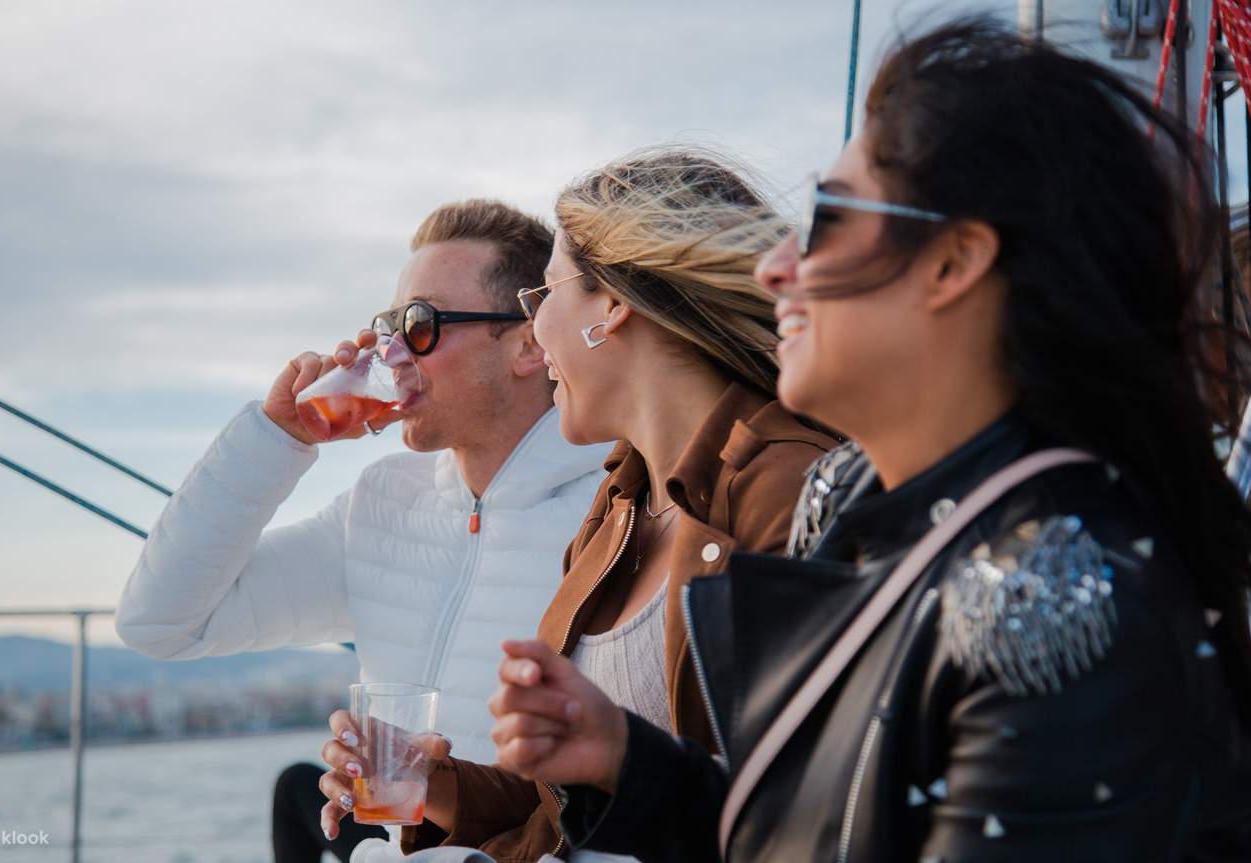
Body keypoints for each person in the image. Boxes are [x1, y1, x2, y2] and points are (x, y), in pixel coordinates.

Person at [486, 19, 1251, 861]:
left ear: (951, 263)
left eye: (831, 219)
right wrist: (631, 762)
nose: (778, 266)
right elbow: (831, 830)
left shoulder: (1057, 597)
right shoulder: (860, 508)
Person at [315, 149, 842, 859]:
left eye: (546, 296)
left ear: (613, 307)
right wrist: (431, 780)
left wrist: (621, 756)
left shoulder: (790, 491)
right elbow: (562, 806)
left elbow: (818, 814)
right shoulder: (617, 506)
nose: (535, 332)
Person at [112, 199, 612, 862]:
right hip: (396, 849)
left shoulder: (617, 505)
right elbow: (160, 622)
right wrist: (276, 438)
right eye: (386, 324)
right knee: (296, 789)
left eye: (419, 324)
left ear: (527, 344)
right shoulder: (381, 502)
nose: (389, 351)